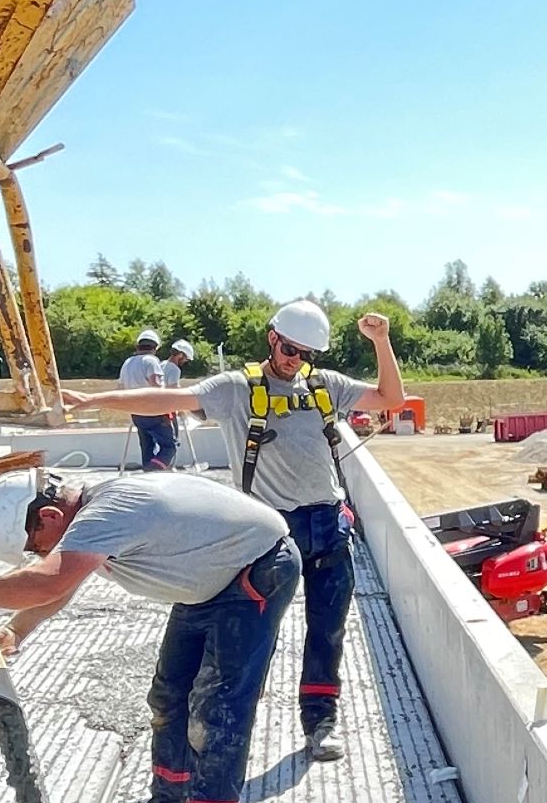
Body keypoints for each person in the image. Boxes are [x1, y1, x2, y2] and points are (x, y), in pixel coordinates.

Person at [0, 468, 300, 803]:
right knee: (169, 698)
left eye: (33, 548)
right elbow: (62, 581)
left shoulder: (109, 511)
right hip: (211, 578)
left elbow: (50, 580)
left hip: (254, 572)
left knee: (216, 715)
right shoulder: (91, 515)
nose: (36, 556)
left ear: (49, 516)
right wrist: (17, 629)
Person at [64, 302, 404, 763]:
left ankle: (319, 723)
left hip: (326, 525)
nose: (295, 360)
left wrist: (381, 341)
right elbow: (169, 401)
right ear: (271, 338)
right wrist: (93, 401)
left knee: (327, 632)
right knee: (250, 638)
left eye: (305, 354)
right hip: (266, 538)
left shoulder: (326, 387)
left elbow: (390, 399)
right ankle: (235, 723)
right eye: (288, 349)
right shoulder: (236, 389)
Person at [120, 329, 176, 471]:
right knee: (169, 447)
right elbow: (157, 386)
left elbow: (120, 389)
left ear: (138, 346)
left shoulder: (127, 363)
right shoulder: (151, 361)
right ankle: (152, 471)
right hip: (154, 412)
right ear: (155, 347)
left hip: (136, 414)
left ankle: (148, 474)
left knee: (147, 447)